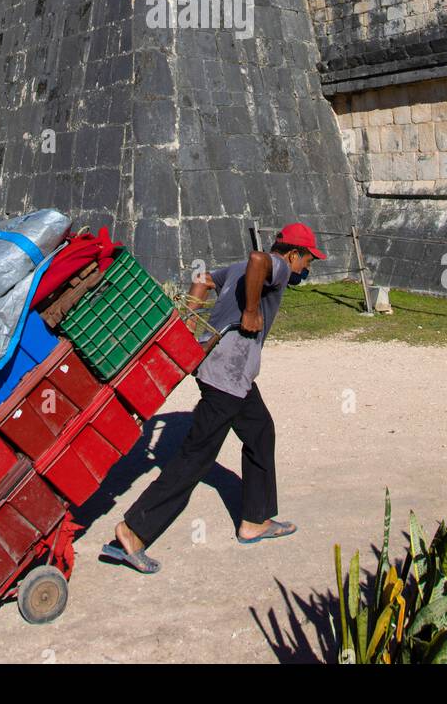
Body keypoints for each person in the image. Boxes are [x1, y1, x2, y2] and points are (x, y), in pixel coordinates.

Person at [99, 222, 325, 573]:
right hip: (227, 376)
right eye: (308, 260)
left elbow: (203, 280)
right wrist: (251, 311)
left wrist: (189, 329)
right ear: (293, 254)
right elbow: (257, 259)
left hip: (229, 374)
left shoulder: (234, 270)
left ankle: (255, 520)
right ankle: (134, 531)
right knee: (196, 456)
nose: (307, 268)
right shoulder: (276, 267)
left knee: (261, 432)